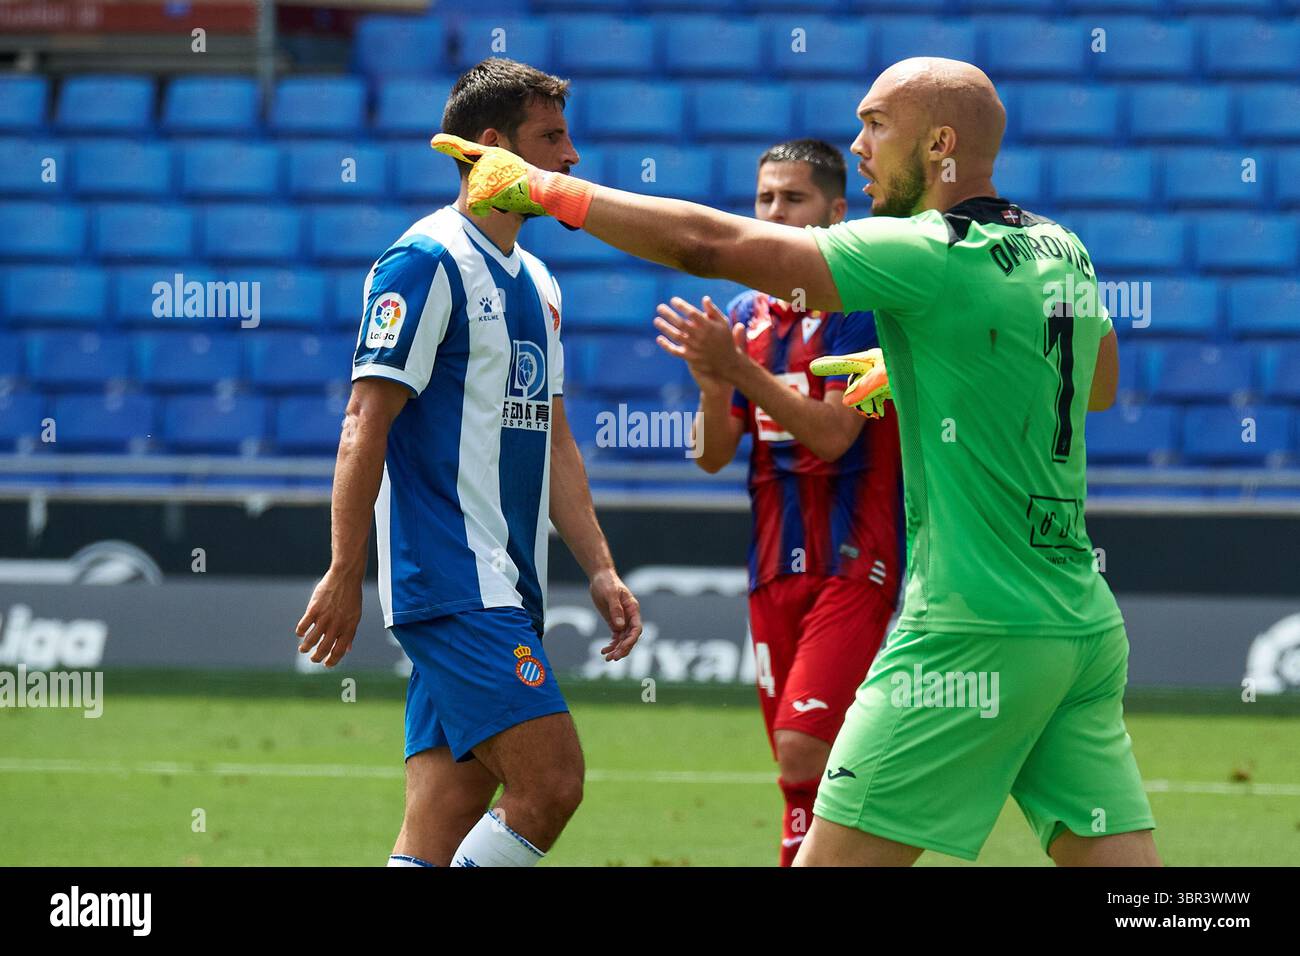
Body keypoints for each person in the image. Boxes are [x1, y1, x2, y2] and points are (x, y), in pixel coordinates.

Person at [434, 56, 1159, 867]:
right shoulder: (1062, 248)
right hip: (1079, 623)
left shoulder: (925, 251)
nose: (858, 145)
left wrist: (543, 190)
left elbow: (708, 245)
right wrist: (931, 369)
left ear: (940, 144)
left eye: (877, 125)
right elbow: (1094, 386)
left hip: (970, 629)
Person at [295, 58, 642, 868]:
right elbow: (362, 423)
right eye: (550, 138)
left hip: (508, 585)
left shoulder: (544, 282)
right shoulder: (425, 260)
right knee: (552, 785)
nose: (572, 158)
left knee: (441, 824)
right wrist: (348, 569)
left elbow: (554, 440)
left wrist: (599, 568)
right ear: (492, 149)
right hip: (452, 579)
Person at [662, 139, 903, 866]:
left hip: (856, 555)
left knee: (805, 747)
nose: (773, 212)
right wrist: (712, 385)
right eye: (765, 199)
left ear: (835, 212)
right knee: (803, 769)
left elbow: (833, 434)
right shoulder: (744, 314)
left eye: (792, 199)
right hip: (773, 563)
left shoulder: (861, 306)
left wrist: (736, 367)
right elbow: (709, 454)